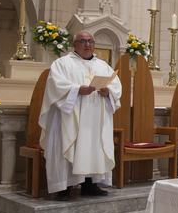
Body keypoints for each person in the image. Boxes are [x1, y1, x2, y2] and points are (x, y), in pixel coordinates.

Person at [39, 31, 122, 200]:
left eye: (91, 41)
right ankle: (64, 188)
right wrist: (77, 90)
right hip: (70, 117)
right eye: (83, 41)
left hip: (95, 118)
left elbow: (116, 87)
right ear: (74, 44)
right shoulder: (62, 64)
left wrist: (108, 92)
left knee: (92, 146)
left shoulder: (103, 66)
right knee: (69, 145)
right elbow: (55, 86)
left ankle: (89, 184)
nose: (87, 45)